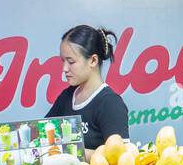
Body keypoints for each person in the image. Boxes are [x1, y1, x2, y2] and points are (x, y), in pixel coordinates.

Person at [46, 24, 129, 157]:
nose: (64, 69)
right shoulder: (66, 96)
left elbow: (121, 158)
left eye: (71, 62)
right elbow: (43, 137)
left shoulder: (110, 103)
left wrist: (69, 152)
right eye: (63, 61)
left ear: (93, 60)